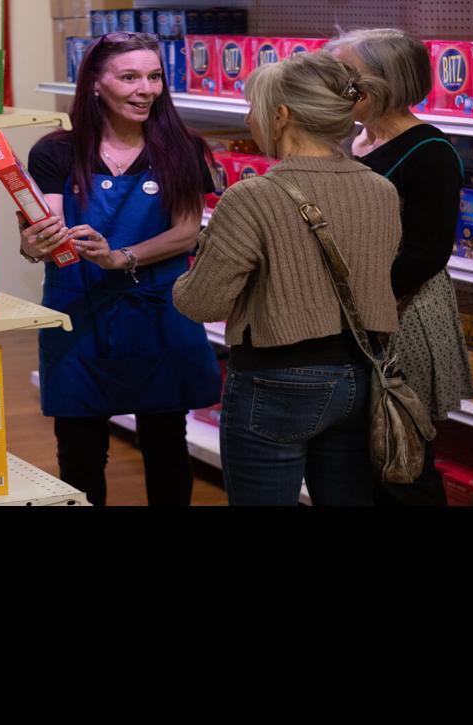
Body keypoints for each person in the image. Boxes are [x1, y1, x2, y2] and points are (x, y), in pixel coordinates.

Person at [172, 53, 400, 506]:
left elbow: (203, 304)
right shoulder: (381, 189)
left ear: (281, 116)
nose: (247, 118)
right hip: (360, 375)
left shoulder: (252, 196)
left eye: (253, 106)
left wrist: (184, 277)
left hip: (273, 381)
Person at [20, 31, 221, 507]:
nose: (145, 89)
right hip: (79, 312)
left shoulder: (182, 147)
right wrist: (35, 244)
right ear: (95, 82)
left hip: (161, 311)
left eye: (154, 76)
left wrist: (121, 257)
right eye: (129, 77)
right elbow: (48, 231)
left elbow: (189, 231)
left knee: (166, 443)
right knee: (80, 450)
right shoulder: (55, 152)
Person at [327, 28, 473, 506]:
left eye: (347, 77)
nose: (336, 87)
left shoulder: (429, 151)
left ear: (385, 82)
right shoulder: (354, 140)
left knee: (401, 450)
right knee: (360, 452)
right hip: (356, 313)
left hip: (402, 316)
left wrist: (354, 299)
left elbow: (426, 253)